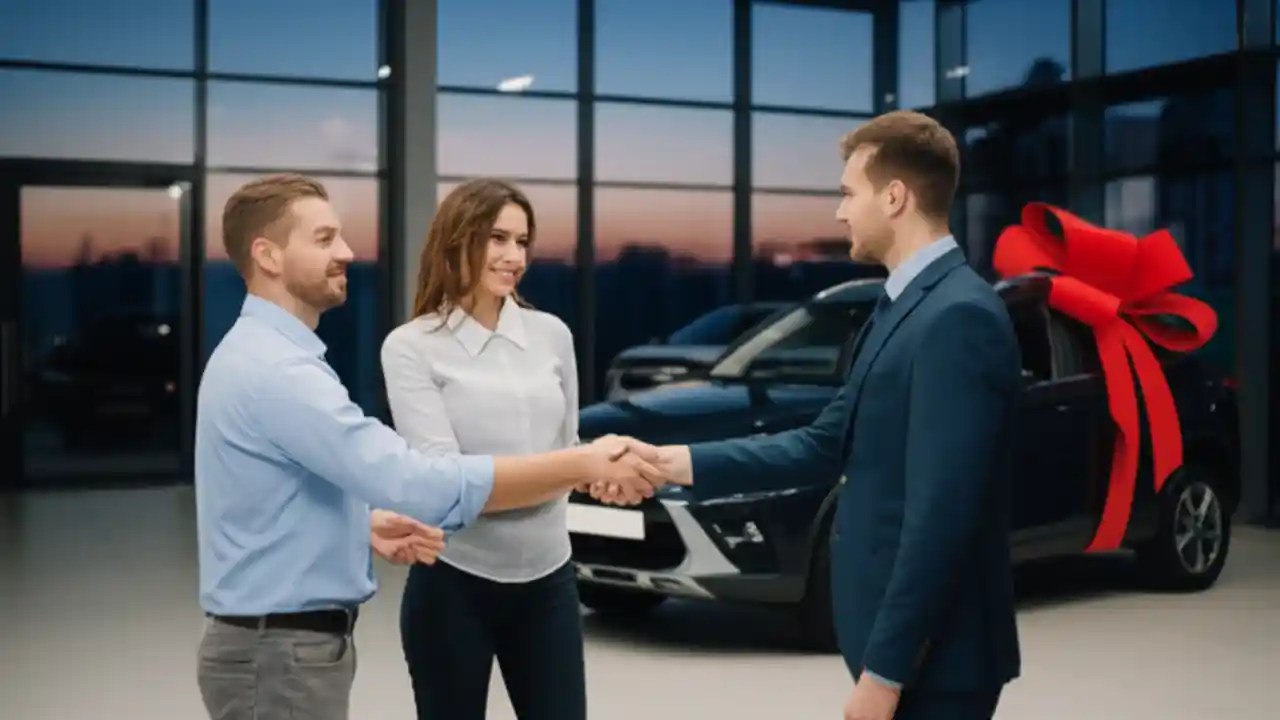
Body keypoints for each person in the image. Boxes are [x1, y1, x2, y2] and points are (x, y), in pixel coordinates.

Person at [194, 173, 661, 720]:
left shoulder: (270, 357)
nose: (347, 251)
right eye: (324, 239)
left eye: (522, 241)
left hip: (293, 649)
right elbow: (423, 482)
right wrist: (578, 463)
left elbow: (287, 491)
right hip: (286, 649)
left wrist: (361, 524)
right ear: (267, 255)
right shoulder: (282, 371)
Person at [606, 111, 1023, 720]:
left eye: (849, 193)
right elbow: (823, 443)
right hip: (901, 654)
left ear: (896, 197)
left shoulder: (959, 317)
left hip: (934, 664)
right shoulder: (900, 306)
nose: (839, 212)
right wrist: (669, 461)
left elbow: (941, 519)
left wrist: (885, 675)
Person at [380, 178, 591, 719]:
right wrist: (572, 467)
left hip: (550, 583)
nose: (513, 256)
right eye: (497, 238)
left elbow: (568, 448)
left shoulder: (553, 336)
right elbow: (444, 488)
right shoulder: (410, 348)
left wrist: (592, 467)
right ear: (458, 239)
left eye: (522, 242)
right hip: (453, 587)